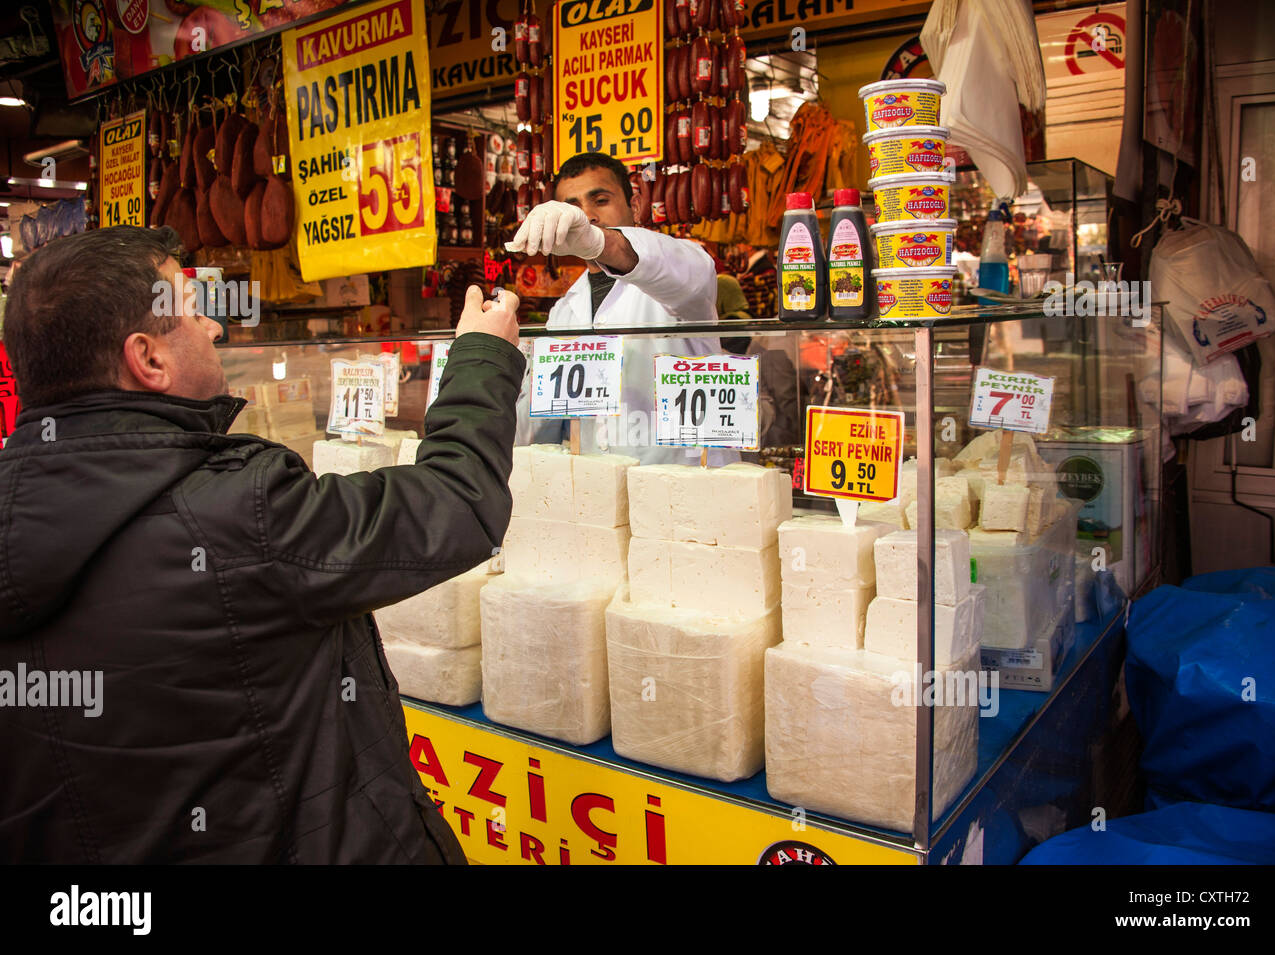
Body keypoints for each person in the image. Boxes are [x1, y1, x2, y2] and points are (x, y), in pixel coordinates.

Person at [0, 225, 526, 864]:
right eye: (193, 313)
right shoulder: (237, 514)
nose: (216, 329)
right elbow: (457, 500)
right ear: (149, 359)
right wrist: (480, 356)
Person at [507, 152, 738, 464]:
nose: (586, 217)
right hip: (599, 493)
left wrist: (603, 243)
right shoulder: (564, 312)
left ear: (636, 206)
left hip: (689, 487)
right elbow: (540, 433)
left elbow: (687, 266)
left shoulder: (680, 275)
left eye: (600, 200)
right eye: (571, 208)